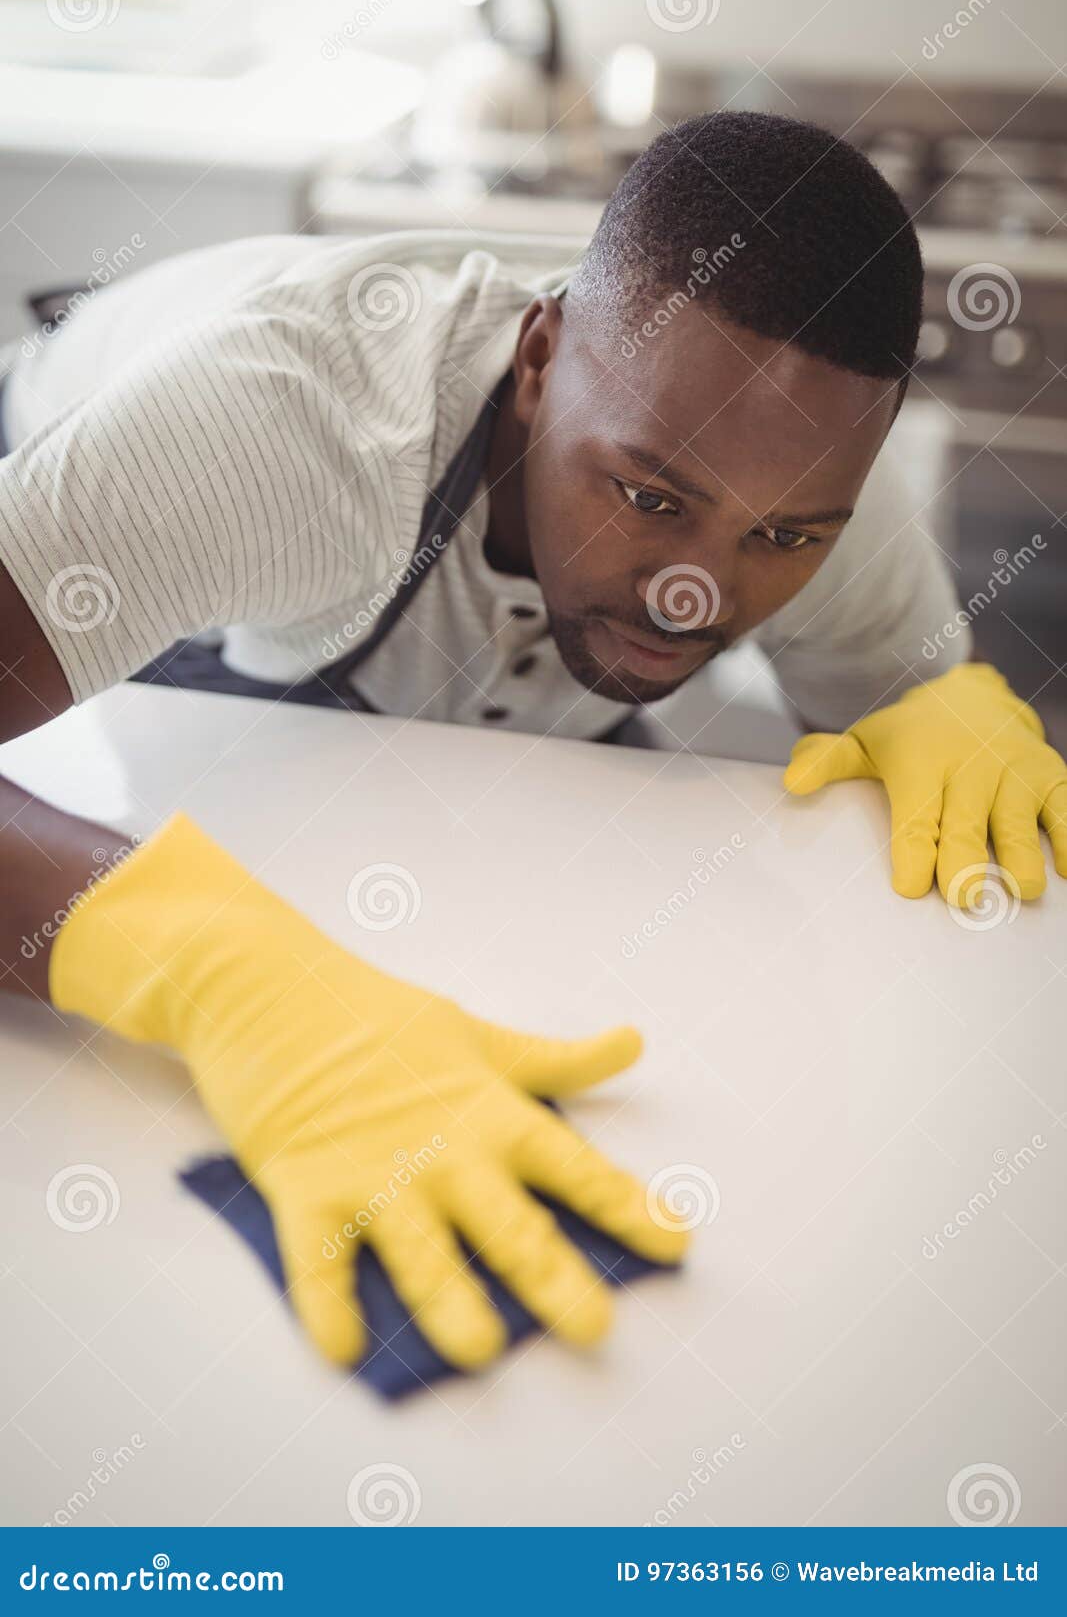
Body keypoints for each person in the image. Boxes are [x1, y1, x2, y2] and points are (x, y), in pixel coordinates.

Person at [0, 113, 1063, 1372]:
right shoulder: (283, 437)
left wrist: (929, 697)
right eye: (649, 497)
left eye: (781, 541)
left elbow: (905, 714)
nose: (692, 597)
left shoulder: (808, 479)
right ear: (539, 360)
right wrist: (205, 966)